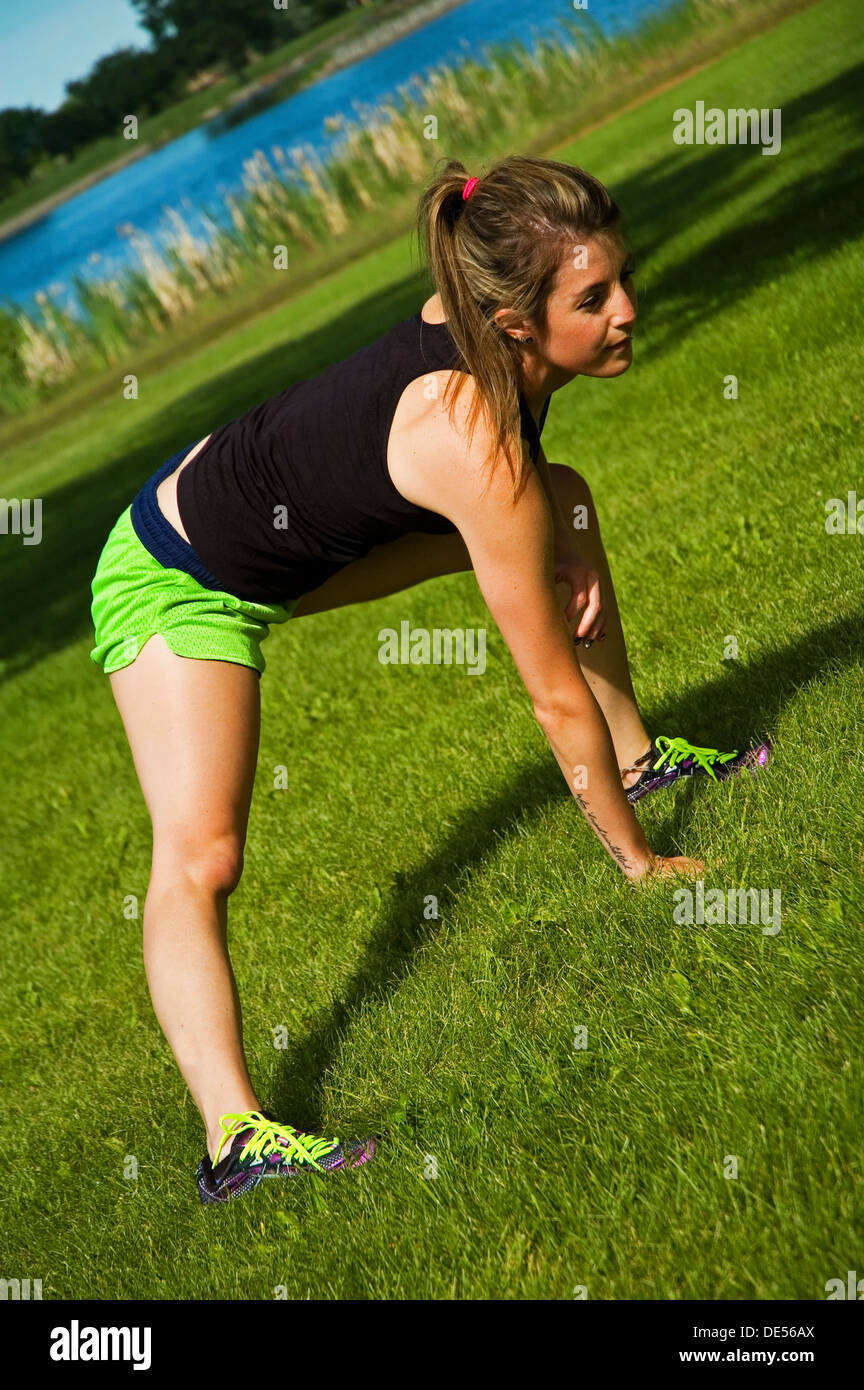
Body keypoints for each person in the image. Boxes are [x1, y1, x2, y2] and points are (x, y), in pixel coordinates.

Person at [89, 154, 771, 1205]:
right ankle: (237, 1140)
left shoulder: (481, 317)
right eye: (593, 299)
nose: (628, 311)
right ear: (512, 324)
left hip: (280, 537)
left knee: (563, 500)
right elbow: (551, 694)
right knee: (203, 854)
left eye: (620, 279)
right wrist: (644, 869)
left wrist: (558, 534)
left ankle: (641, 762)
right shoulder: (472, 439)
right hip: (176, 575)